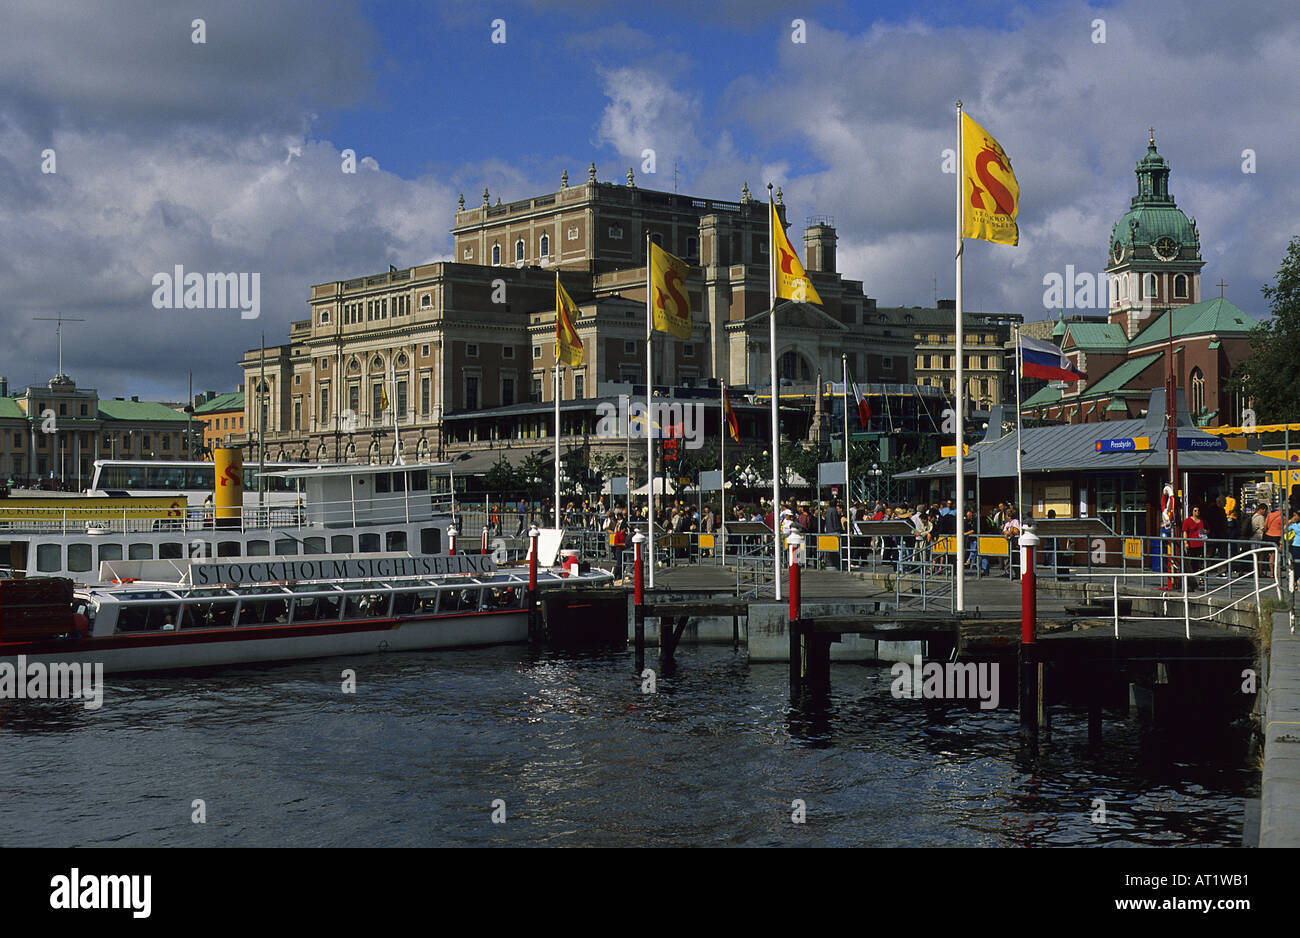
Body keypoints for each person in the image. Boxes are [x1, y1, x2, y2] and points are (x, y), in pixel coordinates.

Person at [1182, 505, 1206, 587]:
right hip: (1192, 544)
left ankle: (1201, 579)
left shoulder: (1201, 521)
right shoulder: (1187, 521)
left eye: (1198, 511)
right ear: (1192, 511)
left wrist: (1205, 532)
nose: (1197, 512)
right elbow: (1185, 532)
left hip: (1200, 543)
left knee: (1201, 562)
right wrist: (1185, 542)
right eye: (1195, 510)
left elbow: (1204, 530)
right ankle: (1192, 579)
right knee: (1192, 562)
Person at [1002, 510, 1022, 579]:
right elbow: (1004, 532)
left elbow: (1016, 531)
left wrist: (1011, 531)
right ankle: (1014, 573)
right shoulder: (1007, 523)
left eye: (1007, 515)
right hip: (1009, 545)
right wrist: (1009, 531)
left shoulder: (1016, 521)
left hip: (1016, 544)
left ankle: (1018, 574)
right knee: (1011, 559)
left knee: (1017, 559)